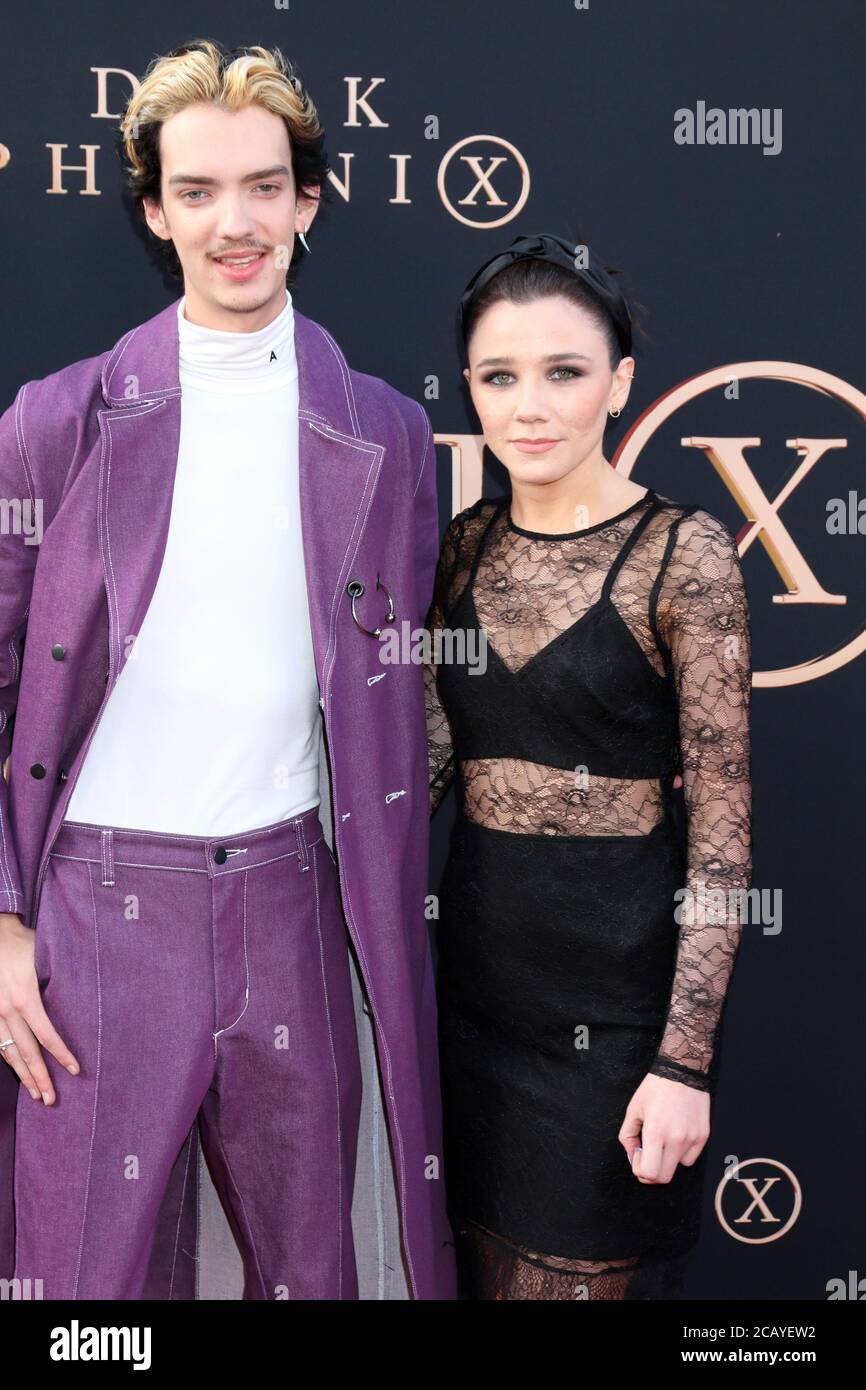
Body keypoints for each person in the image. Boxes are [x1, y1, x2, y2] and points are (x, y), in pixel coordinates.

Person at [0, 39, 455, 1301]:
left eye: (264, 187)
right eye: (197, 192)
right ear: (155, 211)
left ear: (308, 202)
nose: (234, 222)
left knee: (314, 1273)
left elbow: (395, 699)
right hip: (96, 909)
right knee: (86, 1291)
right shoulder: (59, 419)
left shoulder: (385, 430)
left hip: (293, 895)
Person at [425, 233, 752, 1300]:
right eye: (498, 376)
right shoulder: (463, 547)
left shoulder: (682, 552)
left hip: (612, 1024)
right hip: (466, 1007)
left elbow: (720, 825)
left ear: (617, 383)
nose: (528, 406)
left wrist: (681, 1061)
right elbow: (420, 767)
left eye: (562, 372)